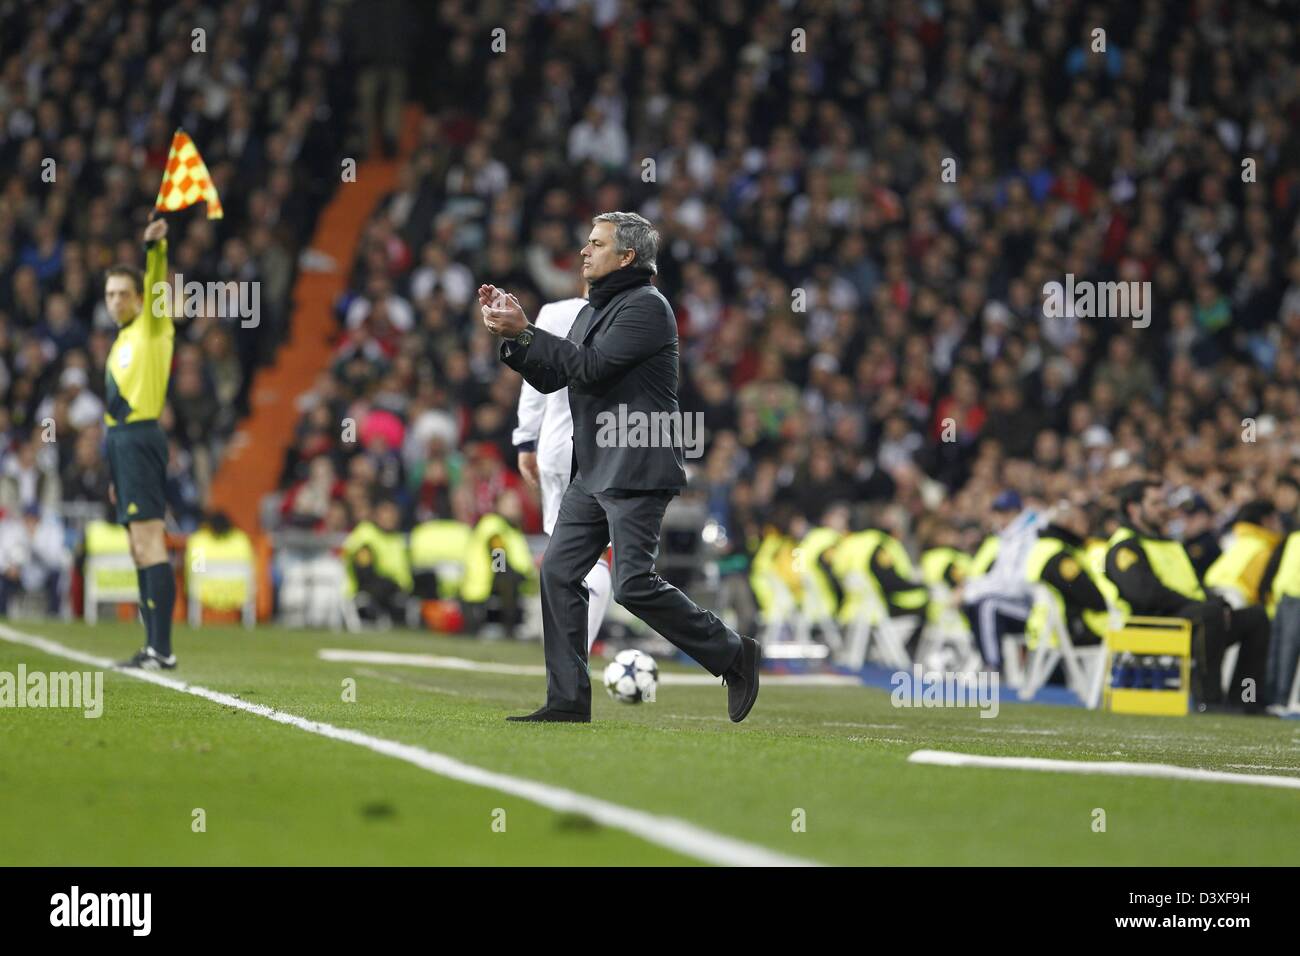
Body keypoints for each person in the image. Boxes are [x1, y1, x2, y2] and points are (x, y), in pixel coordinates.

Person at [481, 211, 759, 723]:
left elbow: (590, 368)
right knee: (560, 572)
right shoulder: (595, 309)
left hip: (637, 461)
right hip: (594, 466)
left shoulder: (647, 308)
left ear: (627, 256)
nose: (584, 251)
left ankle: (735, 654)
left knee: (632, 584)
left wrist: (529, 330)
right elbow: (553, 379)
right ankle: (567, 700)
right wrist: (517, 338)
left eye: (596, 243)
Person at [1105, 480, 1270, 714]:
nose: (1163, 508)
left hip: (1187, 618)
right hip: (1150, 624)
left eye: (1163, 502)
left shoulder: (1168, 543)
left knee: (1256, 617)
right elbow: (1146, 595)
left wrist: (1214, 601)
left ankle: (1245, 699)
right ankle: (1209, 701)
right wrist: (1200, 605)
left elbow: (1192, 585)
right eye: (1155, 503)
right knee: (1208, 615)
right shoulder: (1125, 548)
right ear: (1133, 509)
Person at [513, 282, 613, 652]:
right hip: (603, 452)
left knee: (564, 556)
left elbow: (532, 380)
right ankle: (575, 656)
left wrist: (526, 441)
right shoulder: (633, 319)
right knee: (595, 555)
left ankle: (568, 658)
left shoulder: (554, 313)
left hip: (555, 448)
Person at [104, 214, 178, 670]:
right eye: (109, 295)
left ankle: (161, 649)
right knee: (138, 545)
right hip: (123, 445)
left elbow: (156, 288)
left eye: (122, 295)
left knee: (150, 542)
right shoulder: (123, 339)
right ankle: (153, 645)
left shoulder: (152, 327)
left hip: (140, 439)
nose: (115, 302)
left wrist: (155, 250)